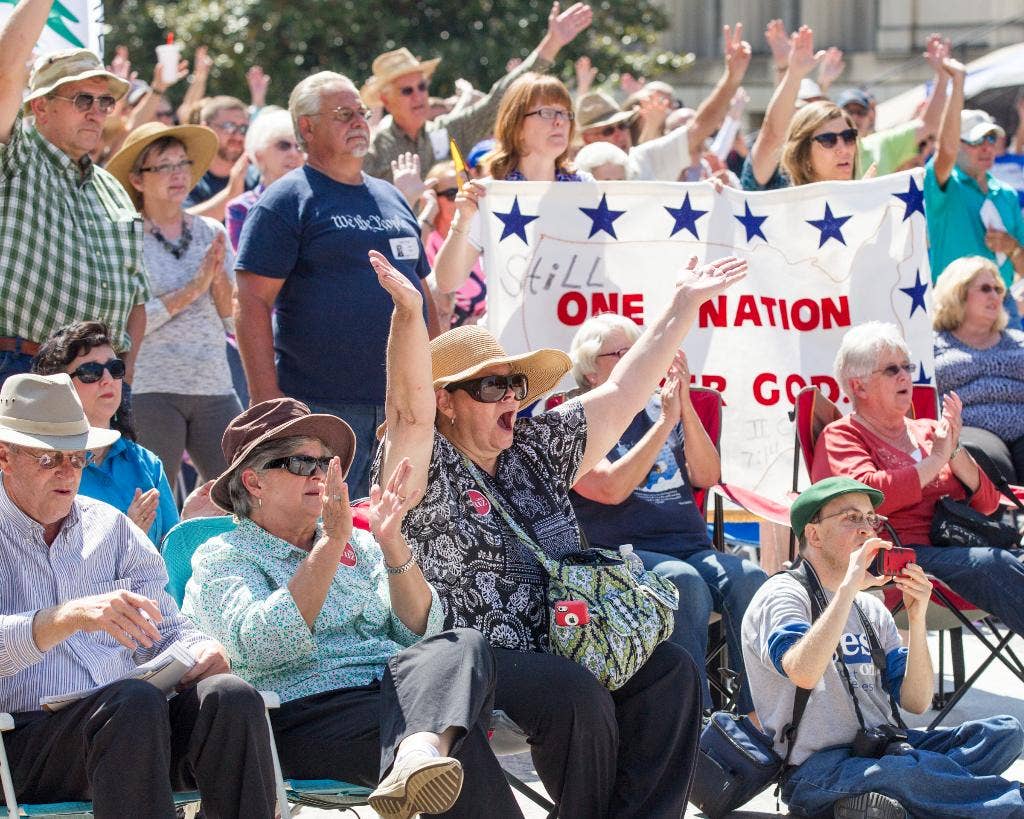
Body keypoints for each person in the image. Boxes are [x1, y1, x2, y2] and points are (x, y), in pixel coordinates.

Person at [372, 247, 748, 817]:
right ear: (446, 401)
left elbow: (622, 393)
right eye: (492, 388)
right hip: (473, 661)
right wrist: (408, 313)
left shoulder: (537, 446)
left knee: (673, 671)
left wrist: (681, 307)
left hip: (571, 640)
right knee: (573, 688)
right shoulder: (425, 467)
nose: (514, 398)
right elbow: (408, 413)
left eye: (516, 385)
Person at [183, 398, 521, 818]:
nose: (323, 475)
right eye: (303, 464)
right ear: (254, 482)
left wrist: (392, 542)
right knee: (458, 746)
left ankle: (417, 750)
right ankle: (418, 749)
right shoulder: (225, 556)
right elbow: (261, 645)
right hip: (303, 715)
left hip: (392, 698)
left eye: (327, 463)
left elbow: (417, 631)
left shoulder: (355, 542)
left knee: (463, 644)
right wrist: (328, 547)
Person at [0, 372, 276, 818]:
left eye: (78, 458)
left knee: (230, 695)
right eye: (51, 458)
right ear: (4, 457)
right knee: (131, 701)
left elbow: (167, 629)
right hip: (24, 741)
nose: (69, 473)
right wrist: (63, 618)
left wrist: (201, 650)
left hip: (132, 728)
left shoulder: (111, 529)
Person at [743, 476, 1024, 818]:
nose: (867, 529)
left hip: (886, 748)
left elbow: (916, 702)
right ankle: (991, 800)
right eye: (851, 518)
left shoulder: (870, 606)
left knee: (1003, 733)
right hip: (818, 768)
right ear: (813, 534)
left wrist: (917, 618)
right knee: (906, 771)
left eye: (870, 519)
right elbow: (802, 672)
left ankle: (889, 800)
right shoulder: (783, 595)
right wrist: (846, 590)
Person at [234, 70, 434, 499]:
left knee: (396, 530)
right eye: (344, 114)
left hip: (404, 406)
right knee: (323, 534)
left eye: (362, 112)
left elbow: (421, 291)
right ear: (306, 126)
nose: (359, 121)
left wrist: (437, 379)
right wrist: (266, 398)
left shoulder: (391, 196)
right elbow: (251, 301)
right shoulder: (286, 200)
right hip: (321, 407)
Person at [567, 314, 767, 718]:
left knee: (752, 579)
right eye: (622, 353)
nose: (636, 359)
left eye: (640, 351)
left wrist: (685, 407)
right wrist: (663, 425)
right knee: (683, 584)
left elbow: (707, 475)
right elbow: (609, 488)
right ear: (590, 371)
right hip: (621, 555)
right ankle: (699, 722)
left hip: (690, 546)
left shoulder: (664, 407)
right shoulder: (577, 418)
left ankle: (760, 719)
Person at [811, 322, 1024, 639]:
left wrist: (952, 450)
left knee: (996, 563)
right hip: (894, 560)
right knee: (994, 566)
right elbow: (868, 494)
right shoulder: (842, 435)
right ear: (858, 387)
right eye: (891, 369)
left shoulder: (928, 430)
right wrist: (935, 460)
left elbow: (989, 504)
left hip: (959, 548)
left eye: (906, 367)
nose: (904, 376)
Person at [0, 0, 149, 387]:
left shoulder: (111, 187)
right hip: (20, 365)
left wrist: (123, 378)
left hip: (102, 379)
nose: (97, 112)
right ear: (40, 107)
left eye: (105, 102)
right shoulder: (16, 156)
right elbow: (4, 72)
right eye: (83, 99)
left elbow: (137, 298)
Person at [106, 123, 242, 489]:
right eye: (164, 166)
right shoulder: (125, 238)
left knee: (241, 493)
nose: (178, 174)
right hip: (153, 387)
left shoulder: (212, 232)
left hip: (214, 384)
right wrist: (194, 287)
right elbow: (128, 324)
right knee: (154, 498)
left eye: (182, 164)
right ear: (137, 180)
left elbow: (231, 321)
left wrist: (218, 285)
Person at [361, 1, 592, 183]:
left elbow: (497, 100)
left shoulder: (448, 130)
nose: (418, 95)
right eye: (406, 90)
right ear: (385, 100)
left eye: (421, 86)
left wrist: (552, 44)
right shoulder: (374, 149)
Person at [431, 73, 592, 298]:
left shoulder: (586, 189)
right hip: (510, 332)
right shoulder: (488, 196)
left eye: (565, 113)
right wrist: (464, 219)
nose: (560, 121)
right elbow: (447, 282)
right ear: (516, 126)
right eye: (546, 112)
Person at [31, 321, 182, 545]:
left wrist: (192, 519)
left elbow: (173, 554)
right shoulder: (41, 464)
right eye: (91, 372)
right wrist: (127, 534)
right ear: (59, 385)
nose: (108, 379)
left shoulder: (148, 464)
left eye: (115, 369)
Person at [744, 27, 945, 191]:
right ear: (803, 153)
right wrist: (791, 73)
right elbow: (772, 135)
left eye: (849, 136)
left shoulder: (861, 195)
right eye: (828, 140)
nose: (844, 148)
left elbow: (928, 126)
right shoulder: (778, 185)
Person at [576, 23, 750, 182]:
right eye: (608, 130)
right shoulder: (569, 178)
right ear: (587, 138)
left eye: (622, 125)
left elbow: (697, 129)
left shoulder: (645, 159)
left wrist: (731, 78)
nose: (620, 134)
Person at [925, 56, 1024, 327]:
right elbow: (943, 151)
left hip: (1002, 310)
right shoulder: (942, 185)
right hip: (953, 307)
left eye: (992, 138)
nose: (987, 147)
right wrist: (958, 84)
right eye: (976, 140)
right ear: (957, 144)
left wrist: (1012, 248)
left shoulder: (1005, 194)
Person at [932, 256, 1024, 484]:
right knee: (989, 462)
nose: (996, 296)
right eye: (985, 289)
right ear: (958, 294)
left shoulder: (1020, 342)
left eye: (998, 289)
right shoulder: (931, 348)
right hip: (971, 432)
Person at [225, 107, 305, 250]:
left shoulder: (315, 203)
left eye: (299, 147)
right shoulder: (241, 208)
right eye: (283, 145)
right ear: (259, 154)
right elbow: (242, 265)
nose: (294, 153)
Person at [419, 160, 486, 327]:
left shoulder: (481, 234)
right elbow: (409, 258)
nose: (462, 198)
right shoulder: (426, 237)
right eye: (452, 193)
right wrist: (428, 210)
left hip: (487, 337)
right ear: (433, 197)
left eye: (464, 190)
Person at [183, 95, 261, 221]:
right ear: (206, 128)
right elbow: (179, 224)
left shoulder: (257, 176)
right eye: (229, 126)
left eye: (243, 129)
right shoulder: (184, 176)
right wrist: (232, 193)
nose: (237, 136)